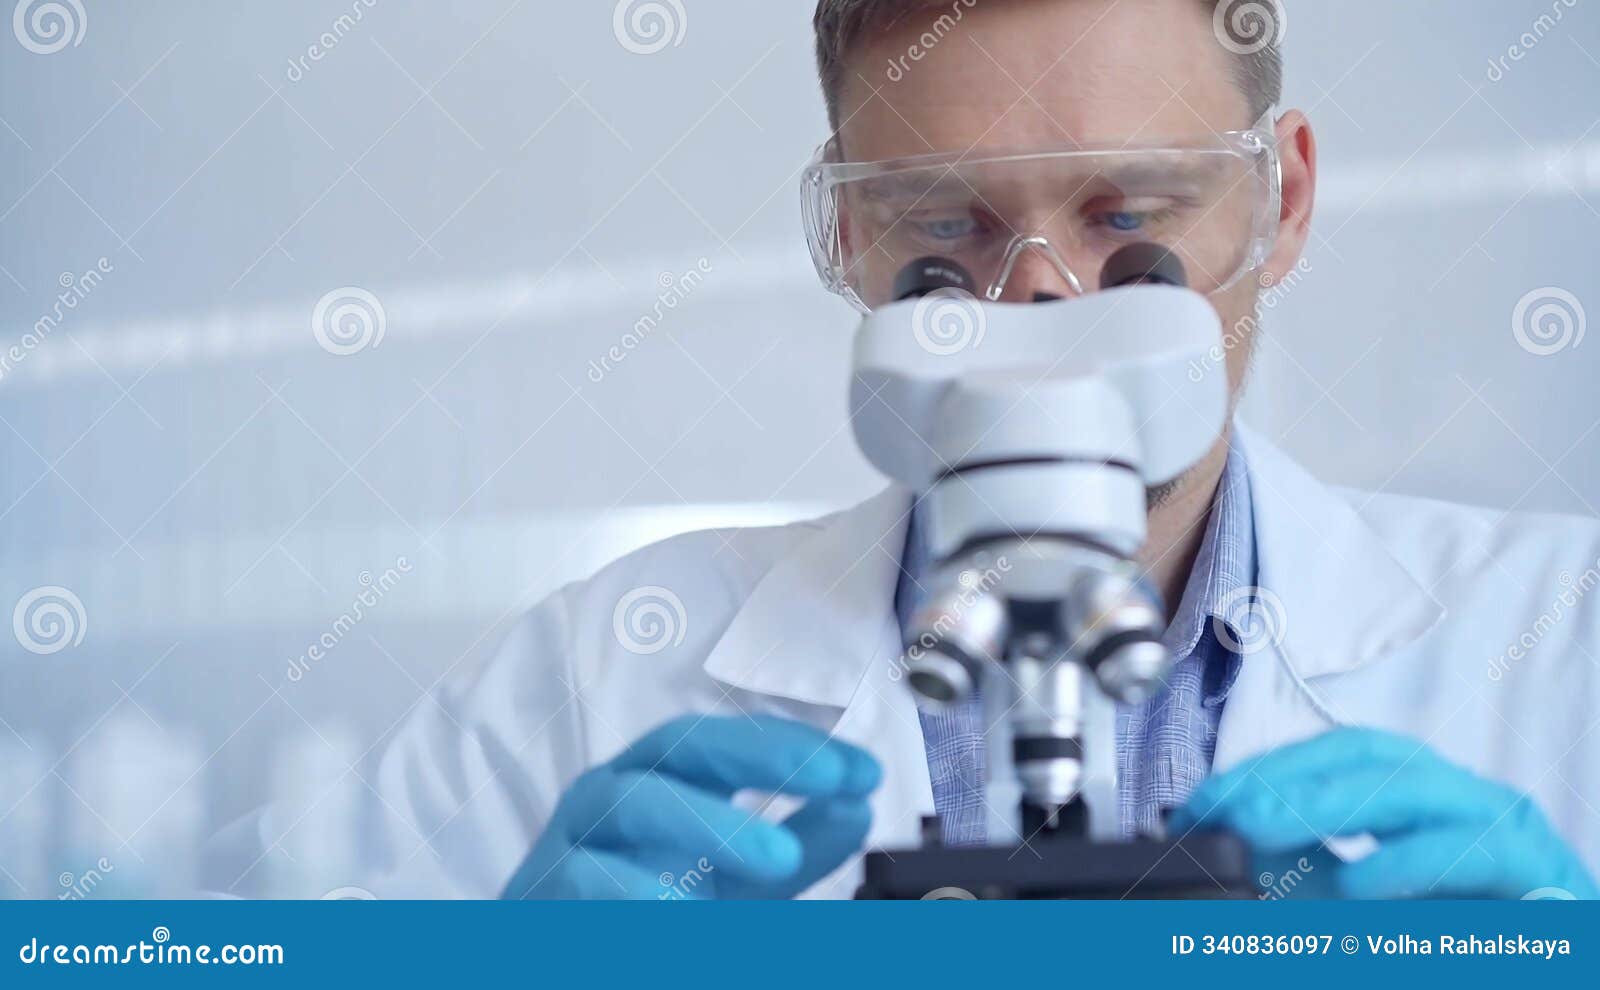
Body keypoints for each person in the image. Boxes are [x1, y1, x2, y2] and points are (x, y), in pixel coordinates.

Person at [213, 0, 1600, 900]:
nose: (1047, 298)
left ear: (1280, 203)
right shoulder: (588, 684)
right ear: (854, 241)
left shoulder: (1561, 643)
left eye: (1135, 216)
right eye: (947, 236)